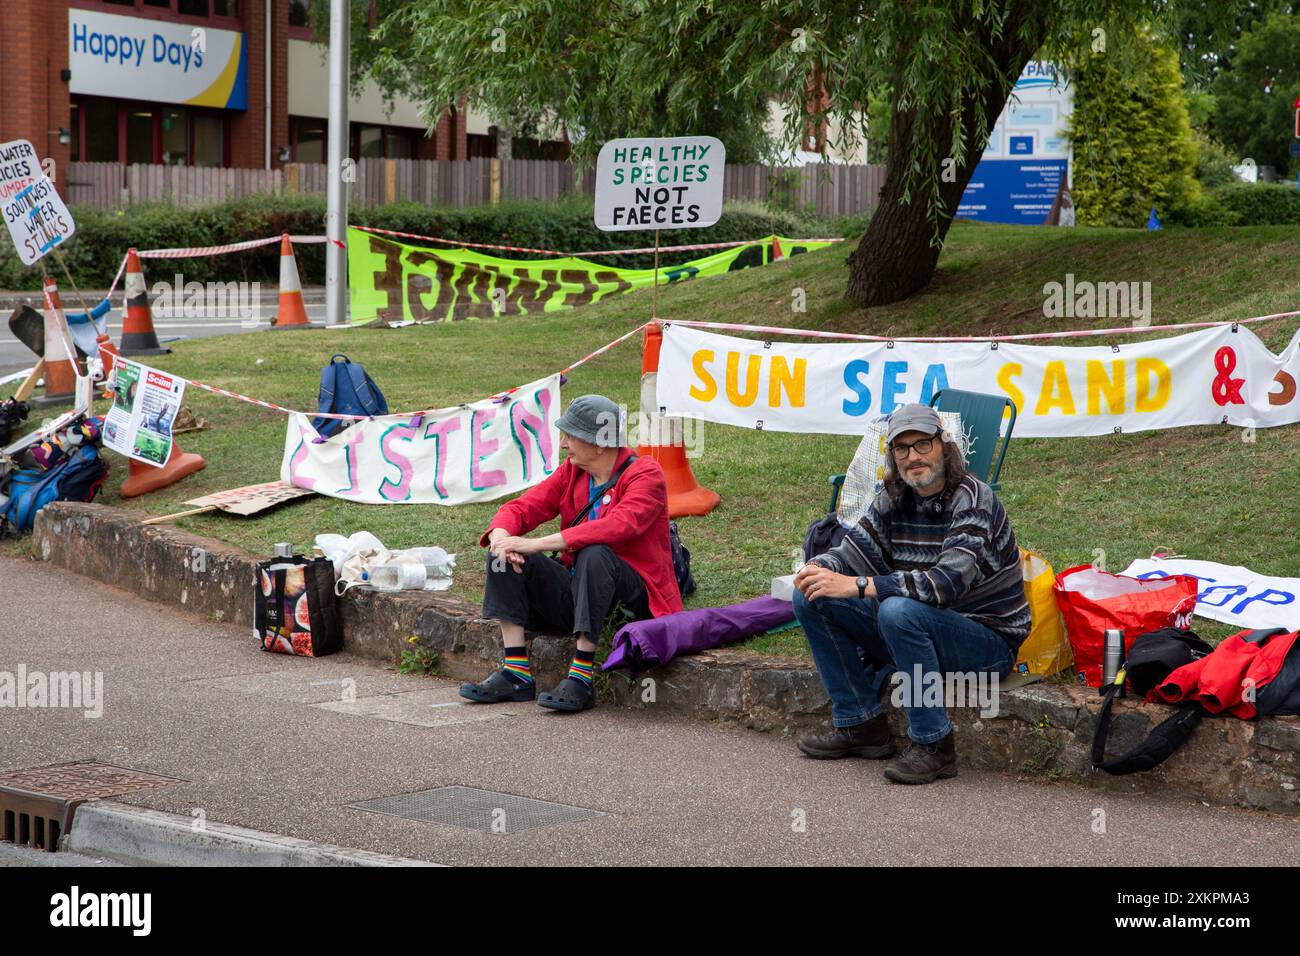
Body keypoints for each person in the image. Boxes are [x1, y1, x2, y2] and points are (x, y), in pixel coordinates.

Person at [792, 403, 1030, 784]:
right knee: (811, 596)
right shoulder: (894, 495)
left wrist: (857, 586)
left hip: (987, 642)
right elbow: (854, 551)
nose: (912, 457)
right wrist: (821, 567)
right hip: (919, 631)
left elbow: (944, 584)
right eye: (901, 449)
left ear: (944, 447)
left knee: (897, 610)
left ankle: (935, 745)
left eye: (922, 444)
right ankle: (861, 724)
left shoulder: (974, 499)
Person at [460, 394, 683, 712]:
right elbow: (524, 506)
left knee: (594, 552)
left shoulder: (646, 475)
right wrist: (501, 537)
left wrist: (535, 544)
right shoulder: (572, 472)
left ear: (599, 444)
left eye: (571, 435)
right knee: (502, 556)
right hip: (582, 593)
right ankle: (516, 673)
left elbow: (620, 527)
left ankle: (581, 677)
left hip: (631, 601)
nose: (563, 443)